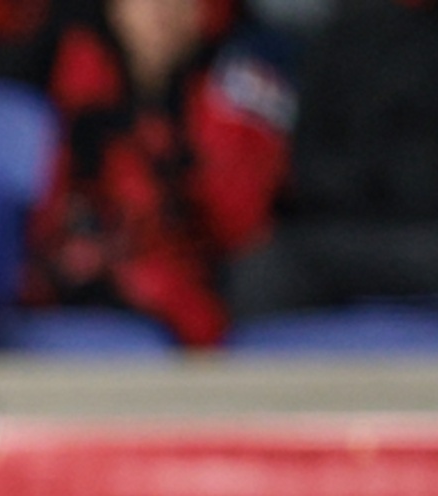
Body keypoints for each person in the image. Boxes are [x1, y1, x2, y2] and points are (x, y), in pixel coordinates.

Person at [226, 0, 438, 346]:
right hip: (366, 231)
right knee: (265, 271)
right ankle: (276, 395)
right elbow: (312, 158)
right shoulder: (352, 27)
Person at [21, 0, 292, 348]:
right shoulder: (70, 82)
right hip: (82, 278)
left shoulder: (233, 97)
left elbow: (241, 225)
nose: (160, 13)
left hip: (200, 279)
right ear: (115, 9)